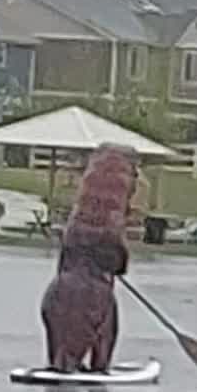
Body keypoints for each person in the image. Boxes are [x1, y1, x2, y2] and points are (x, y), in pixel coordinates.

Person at [40, 146, 137, 372]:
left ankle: (60, 362)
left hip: (60, 288)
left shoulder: (74, 224)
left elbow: (65, 258)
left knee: (61, 342)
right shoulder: (112, 221)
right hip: (94, 295)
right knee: (105, 330)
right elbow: (117, 261)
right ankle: (96, 367)